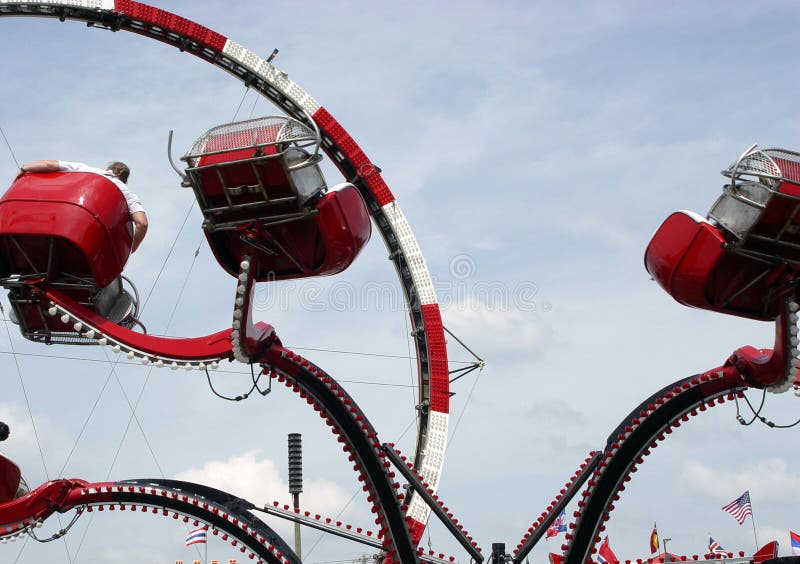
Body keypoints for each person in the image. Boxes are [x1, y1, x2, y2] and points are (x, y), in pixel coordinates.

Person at [16, 160, 148, 252]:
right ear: (124, 179)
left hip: (57, 225)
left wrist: (24, 169)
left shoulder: (85, 169)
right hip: (89, 241)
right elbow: (142, 224)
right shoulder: (126, 192)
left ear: (108, 169)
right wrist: (131, 249)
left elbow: (49, 164)